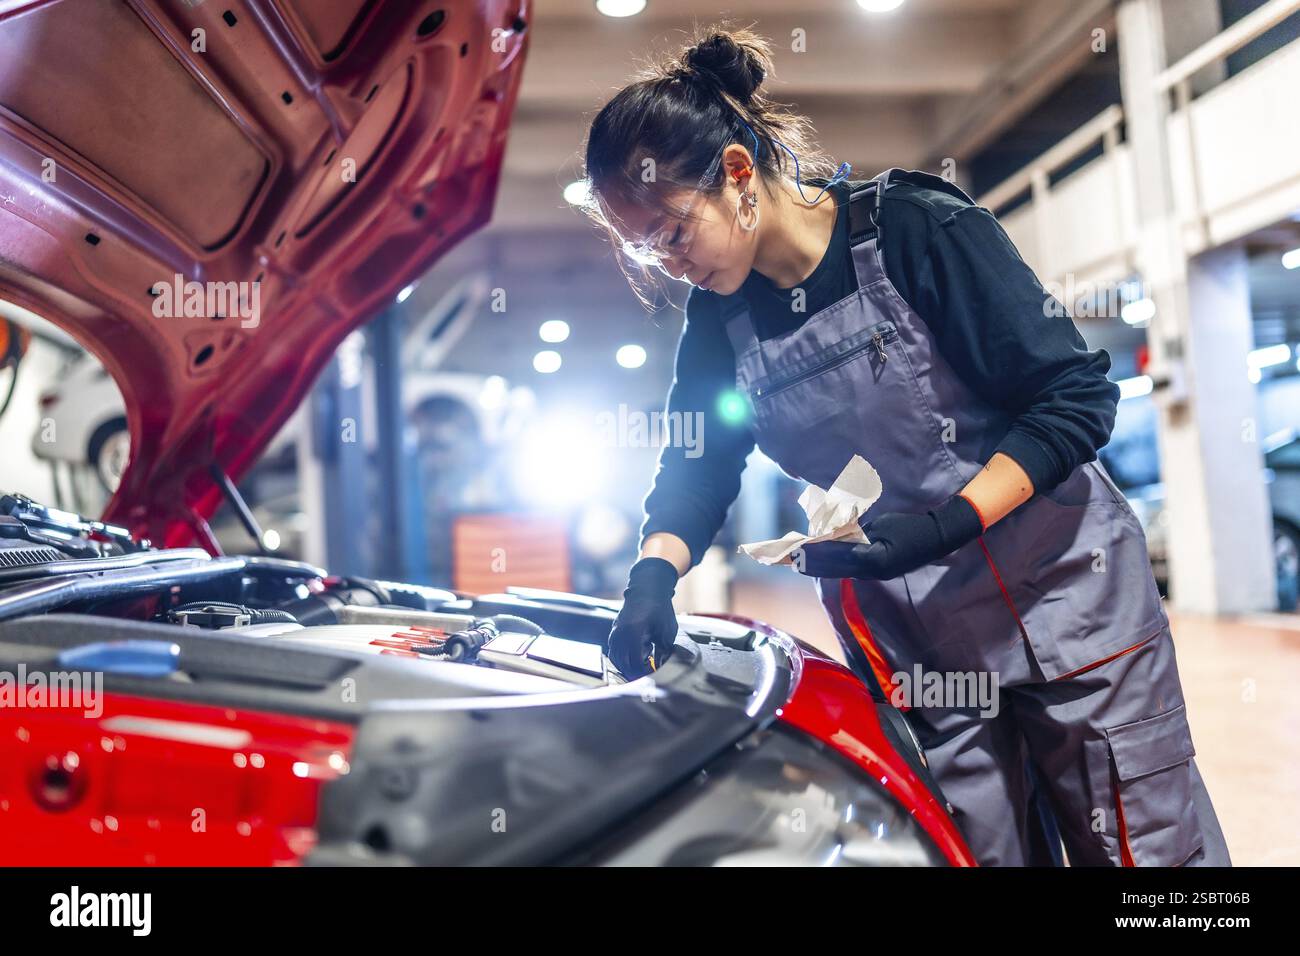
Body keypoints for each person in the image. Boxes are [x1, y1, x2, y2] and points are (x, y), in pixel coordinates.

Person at [577, 26, 1231, 867]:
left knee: (1146, 851)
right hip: (919, 642)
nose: (669, 266)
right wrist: (651, 578)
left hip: (1068, 600)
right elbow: (698, 465)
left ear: (738, 173)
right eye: (644, 253)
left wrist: (947, 524)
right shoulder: (718, 323)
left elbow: (1072, 399)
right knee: (976, 852)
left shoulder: (917, 230)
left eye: (671, 232)